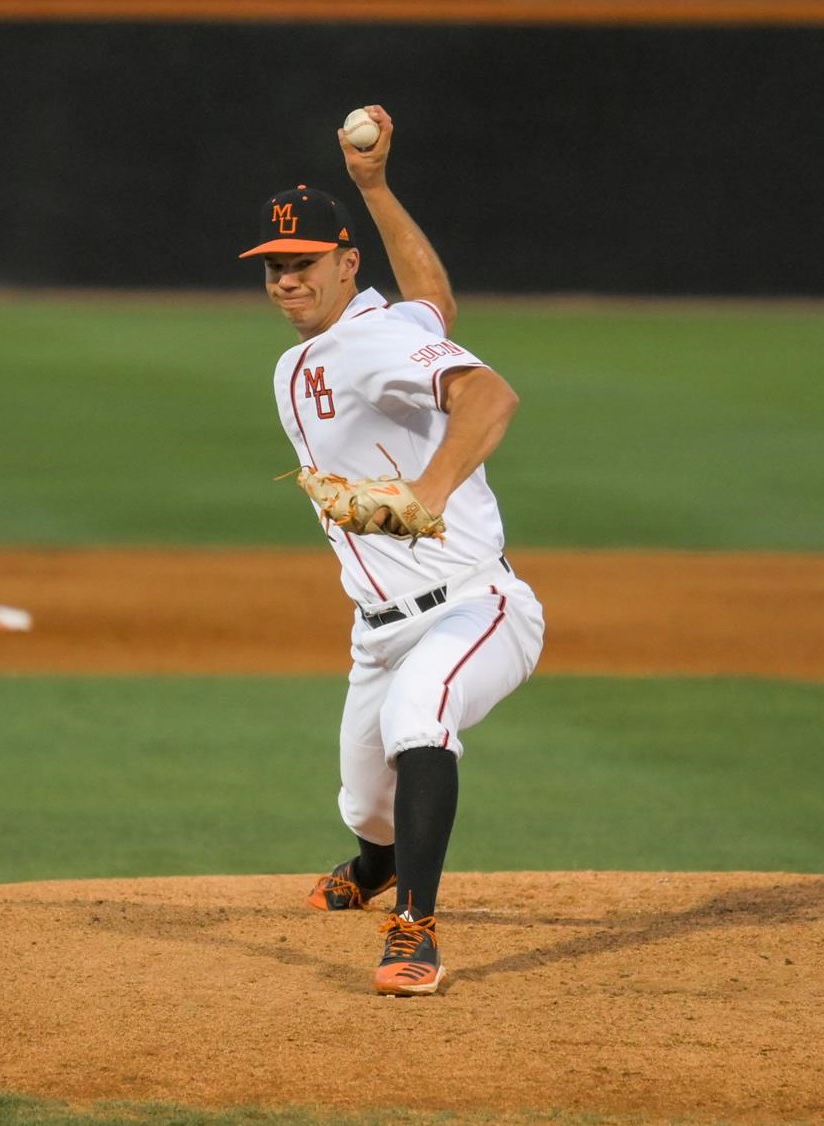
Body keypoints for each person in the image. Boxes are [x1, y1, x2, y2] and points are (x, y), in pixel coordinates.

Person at [239, 105, 546, 996]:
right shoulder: (356, 333)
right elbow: (436, 306)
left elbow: (490, 397)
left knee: (423, 716)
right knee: (366, 805)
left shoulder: (366, 342)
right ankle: (376, 866)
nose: (286, 281)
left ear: (343, 265)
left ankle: (415, 931)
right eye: (272, 268)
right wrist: (373, 187)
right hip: (376, 627)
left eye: (302, 265)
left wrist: (427, 491)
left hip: (474, 605)